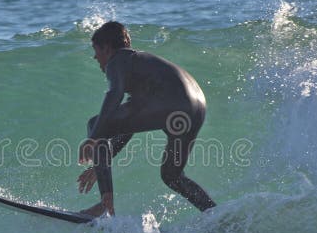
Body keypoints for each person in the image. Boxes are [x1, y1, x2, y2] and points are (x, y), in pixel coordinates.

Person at [77, 21, 217, 217]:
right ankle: (215, 215)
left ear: (107, 48)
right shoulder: (141, 67)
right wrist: (100, 165)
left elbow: (114, 95)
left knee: (95, 124)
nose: (95, 57)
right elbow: (126, 127)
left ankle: (103, 206)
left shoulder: (117, 60)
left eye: (96, 51)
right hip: (195, 108)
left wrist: (93, 138)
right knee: (171, 175)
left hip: (173, 103)